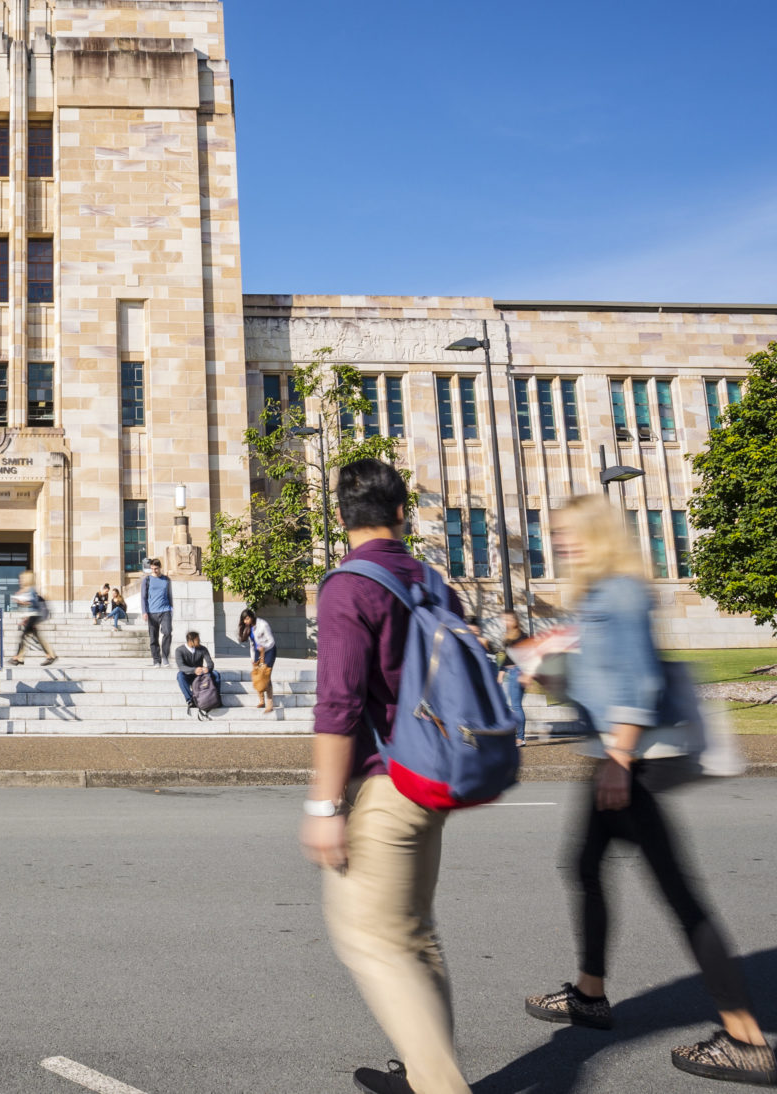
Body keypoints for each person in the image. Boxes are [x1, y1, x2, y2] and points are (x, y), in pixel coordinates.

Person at [524, 496, 775, 1086]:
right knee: (585, 867)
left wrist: (616, 759)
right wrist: (548, 672)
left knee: (678, 896)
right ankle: (589, 993)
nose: (560, 542)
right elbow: (596, 686)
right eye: (555, 533)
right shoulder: (597, 596)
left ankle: (746, 1040)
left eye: (570, 533)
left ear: (598, 533)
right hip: (616, 754)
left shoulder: (619, 591)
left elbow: (638, 680)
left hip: (630, 760)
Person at [301, 458, 473, 1094]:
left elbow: (338, 705)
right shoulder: (431, 580)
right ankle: (421, 1067)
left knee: (369, 939)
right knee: (415, 935)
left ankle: (440, 1084)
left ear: (342, 517)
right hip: (437, 773)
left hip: (388, 784)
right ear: (403, 513)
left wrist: (324, 808)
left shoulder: (348, 585)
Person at [7, 571, 58, 665]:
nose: (20, 581)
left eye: (22, 579)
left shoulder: (31, 589)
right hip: (32, 616)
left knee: (23, 636)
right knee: (35, 636)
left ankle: (18, 657)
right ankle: (50, 655)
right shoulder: (27, 589)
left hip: (35, 615)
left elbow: (34, 603)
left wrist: (23, 602)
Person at [240, 608, 277, 711]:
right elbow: (252, 644)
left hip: (269, 650)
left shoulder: (263, 625)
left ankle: (269, 703)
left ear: (252, 617)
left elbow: (271, 641)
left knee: (266, 675)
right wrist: (253, 657)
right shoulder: (249, 627)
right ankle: (261, 700)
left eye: (247, 618)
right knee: (257, 675)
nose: (245, 621)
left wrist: (263, 648)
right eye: (244, 619)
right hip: (257, 652)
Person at [175, 629, 216, 720]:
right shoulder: (179, 650)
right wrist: (194, 670)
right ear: (191, 641)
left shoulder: (202, 649)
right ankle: (190, 700)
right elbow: (181, 666)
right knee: (180, 675)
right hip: (188, 674)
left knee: (216, 674)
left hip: (200, 675)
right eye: (197, 640)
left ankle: (215, 697)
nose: (199, 641)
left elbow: (210, 663)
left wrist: (207, 668)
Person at [498, 611, 528, 732]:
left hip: (518, 671)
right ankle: (512, 733)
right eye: (504, 620)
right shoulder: (508, 636)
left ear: (515, 621)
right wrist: (502, 671)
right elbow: (507, 656)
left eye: (508, 620)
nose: (506, 622)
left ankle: (520, 737)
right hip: (509, 672)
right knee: (509, 705)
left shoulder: (522, 636)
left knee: (516, 706)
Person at [141, 557, 173, 664]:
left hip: (165, 610)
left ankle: (164, 656)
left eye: (156, 568)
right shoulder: (147, 580)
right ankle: (156, 660)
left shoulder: (166, 580)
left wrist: (172, 608)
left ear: (160, 568)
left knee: (168, 632)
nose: (154, 571)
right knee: (153, 637)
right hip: (151, 612)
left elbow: (170, 595)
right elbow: (143, 597)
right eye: (152, 568)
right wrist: (144, 612)